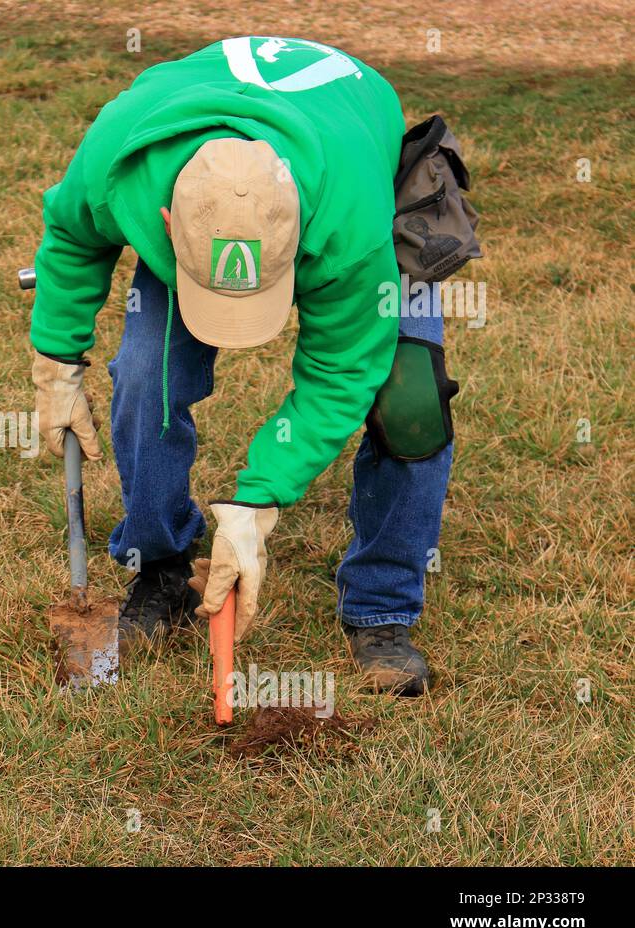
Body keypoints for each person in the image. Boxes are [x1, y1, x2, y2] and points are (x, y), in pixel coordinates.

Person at [29, 36, 458, 694]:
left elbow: (339, 374)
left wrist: (256, 505)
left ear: (298, 237)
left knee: (411, 401)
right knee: (146, 370)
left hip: (348, 136)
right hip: (202, 167)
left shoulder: (348, 221)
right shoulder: (124, 163)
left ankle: (381, 610)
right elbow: (70, 235)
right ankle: (162, 562)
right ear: (168, 222)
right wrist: (56, 363)